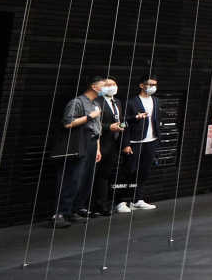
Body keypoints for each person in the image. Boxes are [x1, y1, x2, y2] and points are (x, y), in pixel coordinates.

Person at [53, 77, 104, 228]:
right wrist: (89, 117)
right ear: (94, 86)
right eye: (104, 85)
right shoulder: (77, 102)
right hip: (80, 141)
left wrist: (98, 148)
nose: (107, 88)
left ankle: (73, 210)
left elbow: (97, 127)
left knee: (86, 179)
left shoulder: (95, 103)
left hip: (93, 142)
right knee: (73, 177)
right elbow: (68, 123)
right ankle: (60, 213)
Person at [120, 76, 162, 210]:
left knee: (144, 171)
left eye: (155, 84)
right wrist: (126, 144)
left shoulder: (156, 100)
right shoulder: (131, 102)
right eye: (150, 84)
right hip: (135, 141)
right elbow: (124, 123)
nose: (153, 87)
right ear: (141, 85)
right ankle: (121, 201)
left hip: (151, 140)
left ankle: (137, 199)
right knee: (129, 171)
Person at [88, 79, 126, 216]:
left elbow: (118, 119)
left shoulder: (118, 102)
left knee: (104, 175)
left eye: (114, 84)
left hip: (113, 144)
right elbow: (93, 123)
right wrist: (108, 127)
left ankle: (101, 205)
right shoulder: (96, 102)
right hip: (99, 143)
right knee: (92, 175)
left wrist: (121, 126)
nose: (112, 87)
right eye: (108, 85)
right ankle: (88, 207)